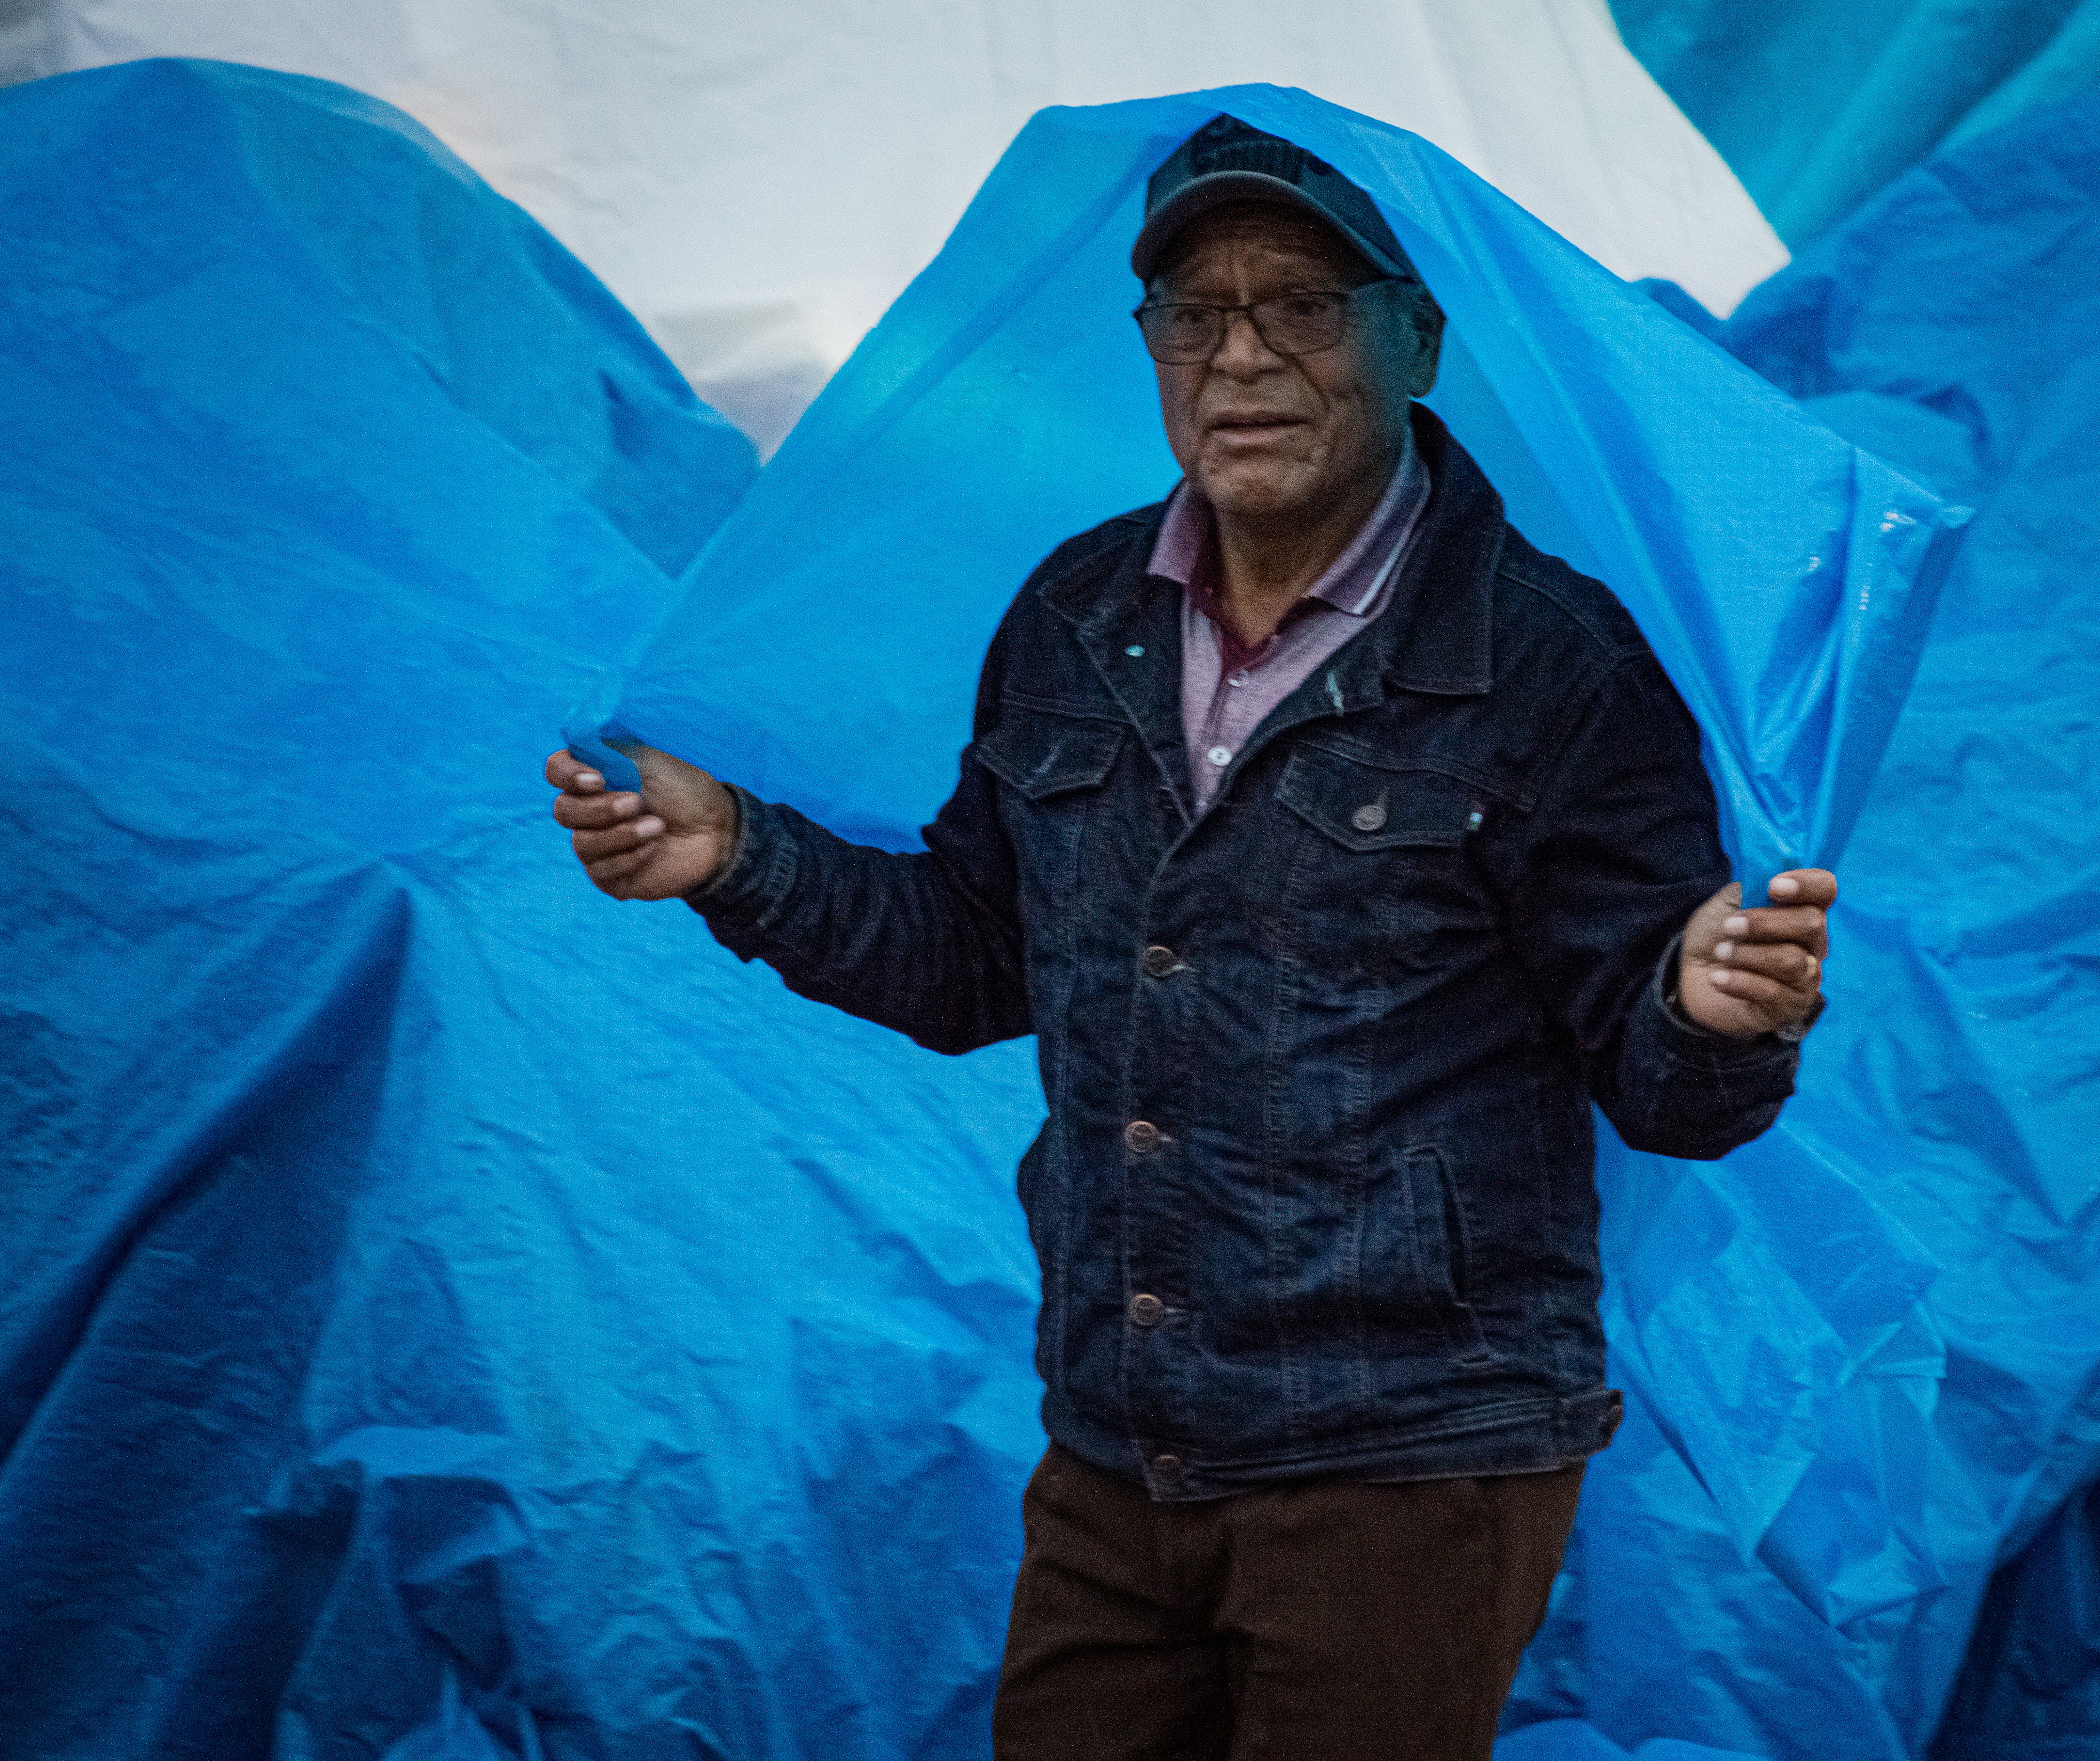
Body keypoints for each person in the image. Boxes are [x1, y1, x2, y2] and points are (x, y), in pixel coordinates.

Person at [545, 114, 1835, 1761]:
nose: (1242, 356)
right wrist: (740, 854)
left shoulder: (1551, 665)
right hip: (1123, 1439)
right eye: (1193, 310)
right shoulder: (1079, 616)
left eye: (1303, 304)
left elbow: (1662, 1087)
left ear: (1418, 336)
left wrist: (1714, 1007)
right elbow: (971, 958)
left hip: (1409, 1461)